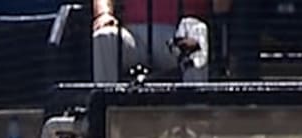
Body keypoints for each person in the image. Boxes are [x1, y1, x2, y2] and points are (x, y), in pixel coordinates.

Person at [93, 0, 233, 83]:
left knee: (196, 32)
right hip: (133, 36)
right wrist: (104, 13)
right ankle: (103, 115)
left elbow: (221, 7)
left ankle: (195, 113)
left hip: (179, 34)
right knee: (105, 36)